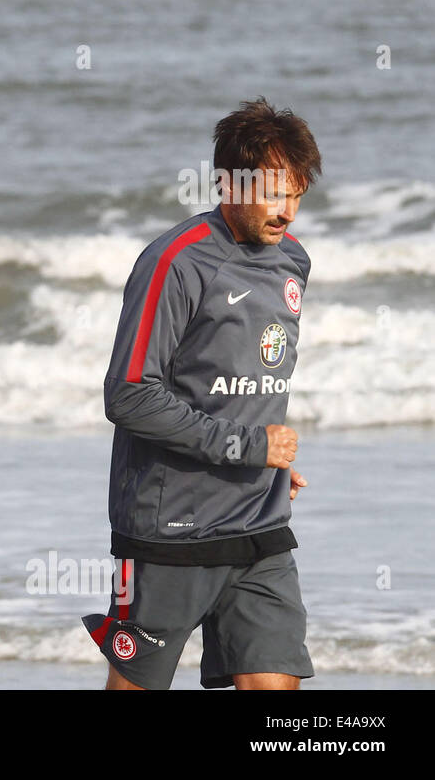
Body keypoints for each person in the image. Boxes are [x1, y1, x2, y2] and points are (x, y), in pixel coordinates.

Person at [82, 98, 320, 690]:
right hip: (169, 532)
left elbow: (248, 376)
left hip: (259, 522)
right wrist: (244, 446)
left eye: (297, 193)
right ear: (227, 183)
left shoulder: (293, 261)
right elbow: (129, 394)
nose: (287, 211)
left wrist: (267, 461)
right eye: (273, 192)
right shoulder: (175, 262)